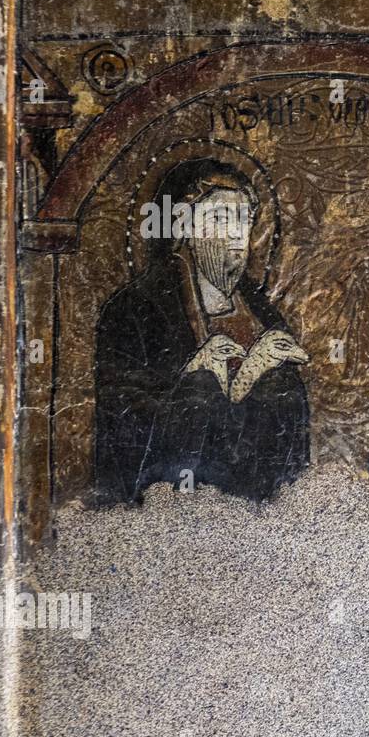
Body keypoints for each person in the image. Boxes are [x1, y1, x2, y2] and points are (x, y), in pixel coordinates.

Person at [95, 158, 310, 502]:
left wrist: (264, 375)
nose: (237, 238)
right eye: (221, 220)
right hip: (171, 504)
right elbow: (125, 426)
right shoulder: (136, 311)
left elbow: (289, 429)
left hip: (260, 506)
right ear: (182, 226)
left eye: (245, 222)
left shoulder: (262, 313)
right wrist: (197, 376)